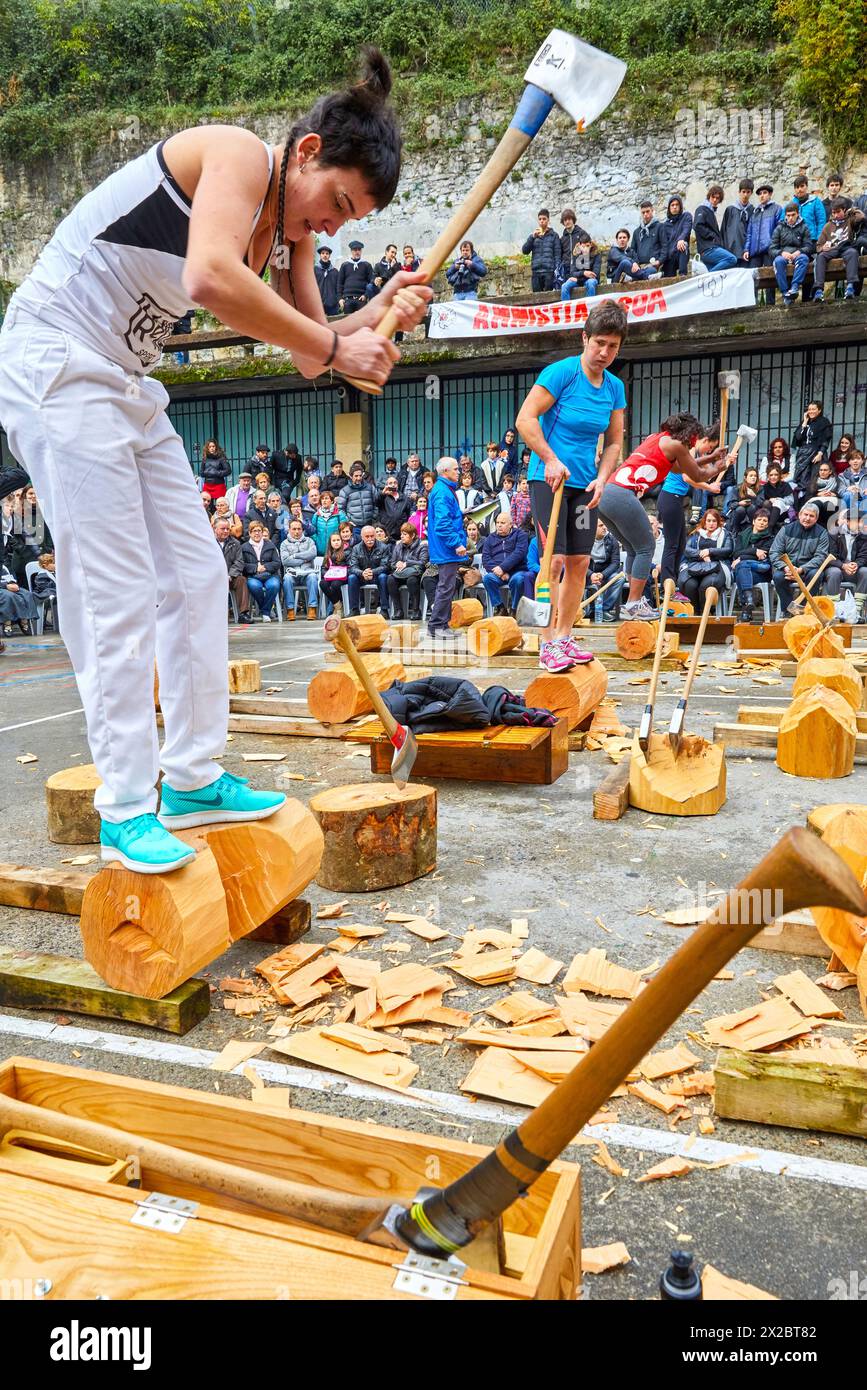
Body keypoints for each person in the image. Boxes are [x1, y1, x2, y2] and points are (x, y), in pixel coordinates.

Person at [0, 47, 435, 869]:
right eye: (335, 202)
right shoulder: (237, 154)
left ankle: (192, 779)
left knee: (199, 574)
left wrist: (380, 311)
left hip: (123, 380)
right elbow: (206, 278)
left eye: (350, 220)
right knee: (116, 590)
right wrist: (343, 351)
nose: (332, 225)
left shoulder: (291, 234)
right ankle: (125, 806)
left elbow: (314, 354)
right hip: (55, 361)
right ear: (306, 152)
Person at [515, 299, 628, 673]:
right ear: (585, 338)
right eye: (599, 343)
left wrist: (603, 476)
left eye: (613, 345)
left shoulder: (614, 388)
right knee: (555, 560)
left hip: (584, 485)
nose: (605, 352)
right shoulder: (560, 374)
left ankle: (564, 635)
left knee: (580, 561)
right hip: (549, 480)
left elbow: (613, 441)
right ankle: (546, 642)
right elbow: (525, 419)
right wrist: (549, 458)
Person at [605, 413, 728, 617]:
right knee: (646, 547)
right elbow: (696, 474)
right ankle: (633, 604)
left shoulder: (659, 438)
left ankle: (631, 604)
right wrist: (717, 467)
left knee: (633, 549)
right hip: (621, 494)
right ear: (690, 434)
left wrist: (712, 457)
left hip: (608, 494)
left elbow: (680, 467)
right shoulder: (677, 445)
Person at [657, 421, 724, 586]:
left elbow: (708, 471)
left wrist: (725, 461)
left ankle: (673, 582)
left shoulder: (697, 455)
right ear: (705, 440)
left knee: (680, 544)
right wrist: (709, 487)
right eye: (709, 448)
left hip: (675, 499)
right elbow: (688, 477)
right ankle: (668, 582)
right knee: (672, 544)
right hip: (669, 497)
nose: (708, 452)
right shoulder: (690, 451)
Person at [425, 457, 467, 639]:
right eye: (456, 469)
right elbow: (442, 524)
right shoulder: (443, 492)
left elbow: (445, 518)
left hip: (444, 547)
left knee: (446, 586)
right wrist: (456, 543)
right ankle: (437, 627)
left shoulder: (443, 489)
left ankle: (441, 624)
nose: (459, 472)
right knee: (445, 587)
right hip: (446, 548)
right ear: (445, 472)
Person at [770, 501, 830, 611]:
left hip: (807, 569)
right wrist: (786, 567)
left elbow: (821, 556)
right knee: (778, 577)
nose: (807, 518)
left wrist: (802, 569)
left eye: (811, 516)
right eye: (805, 514)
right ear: (799, 515)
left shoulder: (822, 533)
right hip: (787, 569)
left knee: (816, 574)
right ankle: (788, 610)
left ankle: (803, 608)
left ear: (816, 519)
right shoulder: (786, 530)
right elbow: (774, 552)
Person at [677, 508, 732, 610]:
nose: (711, 524)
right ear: (704, 522)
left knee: (706, 585)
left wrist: (710, 551)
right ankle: (694, 612)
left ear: (718, 522)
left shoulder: (725, 534)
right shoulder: (696, 534)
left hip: (716, 566)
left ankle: (706, 612)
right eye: (709, 521)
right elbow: (686, 549)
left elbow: (728, 550)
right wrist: (702, 554)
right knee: (689, 584)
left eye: (714, 521)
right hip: (695, 565)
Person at [812, 203, 865, 302]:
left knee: (853, 253)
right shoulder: (828, 226)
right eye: (834, 213)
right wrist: (823, 247)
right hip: (832, 250)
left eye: (838, 212)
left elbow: (861, 217)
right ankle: (819, 290)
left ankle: (850, 287)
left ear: (844, 210)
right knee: (820, 256)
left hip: (846, 247)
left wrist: (852, 210)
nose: (836, 215)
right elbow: (818, 246)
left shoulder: (849, 220)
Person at [481, 510, 529, 615]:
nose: (499, 525)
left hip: (517, 570)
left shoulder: (520, 535)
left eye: (502, 523)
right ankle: (500, 608)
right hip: (498, 573)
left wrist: (503, 568)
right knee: (487, 579)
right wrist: (500, 572)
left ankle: (514, 609)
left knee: (518, 580)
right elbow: (485, 558)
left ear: (510, 524)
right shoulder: (490, 538)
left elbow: (519, 553)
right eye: (497, 523)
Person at [731, 507, 774, 621]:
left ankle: (746, 603)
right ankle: (748, 603)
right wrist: (754, 551)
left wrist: (742, 557)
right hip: (745, 572)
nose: (762, 522)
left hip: (761, 571)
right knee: (743, 567)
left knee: (742, 565)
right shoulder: (742, 535)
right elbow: (736, 553)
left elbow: (763, 556)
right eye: (759, 519)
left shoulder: (769, 538)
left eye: (765, 521)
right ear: (754, 521)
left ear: (767, 524)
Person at [743, 183, 782, 302]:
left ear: (770, 194)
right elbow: (749, 233)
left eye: (765, 193)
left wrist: (775, 246)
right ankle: (752, 304)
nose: (762, 196)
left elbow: (780, 229)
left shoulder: (777, 209)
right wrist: (746, 249)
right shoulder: (755, 212)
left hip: (770, 250)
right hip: (755, 251)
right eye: (760, 194)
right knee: (752, 277)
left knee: (770, 277)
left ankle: (770, 304)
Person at [769, 202, 814, 305]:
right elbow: (771, 248)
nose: (790, 218)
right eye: (788, 215)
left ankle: (794, 287)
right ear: (785, 215)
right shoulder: (779, 228)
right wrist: (781, 253)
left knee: (804, 258)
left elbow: (809, 246)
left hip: (798, 255)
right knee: (778, 261)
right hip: (784, 256)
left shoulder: (804, 227)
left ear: (798, 214)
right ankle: (785, 293)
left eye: (793, 215)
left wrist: (799, 251)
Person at [825, 513, 867, 611]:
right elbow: (830, 556)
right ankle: (833, 608)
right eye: (858, 522)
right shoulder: (833, 533)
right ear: (847, 522)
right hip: (836, 567)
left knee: (865, 571)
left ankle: (857, 608)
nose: (861, 525)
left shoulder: (864, 535)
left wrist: (856, 564)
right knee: (834, 572)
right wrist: (843, 565)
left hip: (853, 569)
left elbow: (864, 555)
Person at [241, 518, 281, 620]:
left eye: (259, 531)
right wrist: (255, 568)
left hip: (269, 575)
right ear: (249, 533)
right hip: (253, 576)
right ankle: (267, 611)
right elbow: (242, 565)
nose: (257, 533)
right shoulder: (244, 547)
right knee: (254, 586)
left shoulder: (270, 545)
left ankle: (265, 611)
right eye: (254, 531)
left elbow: (277, 563)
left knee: (274, 585)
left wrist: (265, 567)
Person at [214, 515, 252, 624]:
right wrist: (219, 576)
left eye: (228, 529)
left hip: (230, 577)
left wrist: (230, 575)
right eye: (223, 529)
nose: (226, 531)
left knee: (242, 580)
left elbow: (239, 562)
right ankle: (215, 614)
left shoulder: (235, 543)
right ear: (215, 529)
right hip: (214, 578)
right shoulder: (208, 543)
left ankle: (243, 613)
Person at [792, 401, 833, 501]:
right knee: (802, 480)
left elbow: (826, 439)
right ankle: (801, 505)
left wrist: (820, 453)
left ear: (819, 410)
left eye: (813, 409)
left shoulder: (824, 422)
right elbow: (798, 437)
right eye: (809, 409)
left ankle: (814, 502)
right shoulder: (805, 422)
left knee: (814, 480)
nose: (811, 411)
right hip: (803, 454)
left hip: (817, 453)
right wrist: (805, 422)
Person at [386, 521, 427, 619]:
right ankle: (398, 610)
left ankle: (416, 610)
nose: (401, 536)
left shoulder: (422, 546)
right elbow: (392, 563)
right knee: (390, 579)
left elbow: (423, 563)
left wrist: (407, 563)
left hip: (415, 574)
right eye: (401, 534)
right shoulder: (398, 546)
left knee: (412, 580)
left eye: (404, 534)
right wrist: (397, 564)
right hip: (400, 574)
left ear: (412, 535)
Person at [280, 518, 319, 619]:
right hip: (292, 574)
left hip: (307, 573)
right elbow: (285, 561)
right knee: (287, 579)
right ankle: (290, 610)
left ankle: (312, 609)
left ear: (302, 530)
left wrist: (295, 556)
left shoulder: (309, 541)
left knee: (313, 577)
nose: (297, 532)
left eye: (299, 529)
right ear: (289, 530)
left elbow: (313, 553)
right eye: (294, 529)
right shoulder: (284, 544)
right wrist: (304, 559)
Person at [693, 186, 738, 271]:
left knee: (715, 277)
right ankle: (706, 276)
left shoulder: (711, 211)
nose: (714, 200)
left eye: (717, 198)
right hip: (708, 249)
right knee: (731, 259)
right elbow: (697, 225)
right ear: (709, 196)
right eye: (713, 197)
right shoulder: (702, 209)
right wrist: (712, 236)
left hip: (709, 249)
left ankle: (707, 277)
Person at [348, 522, 390, 614]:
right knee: (351, 578)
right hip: (362, 577)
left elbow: (385, 566)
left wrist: (372, 572)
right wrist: (362, 573)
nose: (370, 539)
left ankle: (384, 609)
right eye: (367, 537)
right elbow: (353, 566)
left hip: (376, 576)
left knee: (383, 577)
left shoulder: (384, 547)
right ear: (362, 537)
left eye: (372, 536)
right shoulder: (356, 548)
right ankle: (354, 609)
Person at [586, 520, 621, 618]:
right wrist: (591, 574)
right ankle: (584, 610)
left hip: (605, 573)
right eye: (601, 525)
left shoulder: (612, 540)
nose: (605, 528)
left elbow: (615, 563)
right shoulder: (584, 541)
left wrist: (602, 575)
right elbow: (579, 562)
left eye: (606, 525)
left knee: (619, 578)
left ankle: (604, 609)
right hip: (587, 574)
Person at [522, 209, 561, 292]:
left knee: (549, 298)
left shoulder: (554, 235)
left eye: (544, 219)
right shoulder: (533, 236)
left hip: (549, 272)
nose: (542, 221)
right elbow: (525, 251)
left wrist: (556, 270)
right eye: (540, 219)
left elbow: (557, 254)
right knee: (537, 299)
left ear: (548, 220)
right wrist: (532, 237)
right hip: (536, 272)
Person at [0, 558, 38, 635]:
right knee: (8, 596)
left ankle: (24, 619)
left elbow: (8, 575)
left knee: (27, 594)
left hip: (6, 584)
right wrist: (5, 585)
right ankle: (7, 623)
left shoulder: (2, 565)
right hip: (2, 586)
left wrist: (12, 583)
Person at [627, 201, 663, 278]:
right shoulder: (637, 232)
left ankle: (639, 276)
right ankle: (644, 275)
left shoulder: (660, 227)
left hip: (654, 265)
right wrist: (634, 264)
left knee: (651, 271)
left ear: (652, 211)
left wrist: (659, 261)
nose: (645, 214)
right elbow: (632, 251)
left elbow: (665, 247)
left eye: (647, 211)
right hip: (639, 266)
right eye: (643, 212)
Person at [338, 461, 378, 529]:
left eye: (360, 475)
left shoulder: (370, 487)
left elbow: (376, 504)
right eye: (356, 476)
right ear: (351, 476)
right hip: (354, 526)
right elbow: (340, 509)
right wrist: (348, 521)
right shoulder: (344, 491)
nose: (359, 478)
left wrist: (374, 517)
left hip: (369, 524)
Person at [754, 462, 795, 531]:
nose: (773, 477)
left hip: (783, 512)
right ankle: (770, 525)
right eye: (771, 475)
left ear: (779, 475)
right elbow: (759, 502)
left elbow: (791, 500)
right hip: (769, 513)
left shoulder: (785, 485)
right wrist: (770, 500)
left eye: (776, 475)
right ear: (768, 476)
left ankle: (770, 527)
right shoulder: (765, 487)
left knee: (778, 502)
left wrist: (777, 499)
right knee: (766, 503)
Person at [659, 196, 693, 277]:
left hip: (680, 253)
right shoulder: (665, 225)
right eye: (672, 205)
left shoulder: (686, 216)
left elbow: (686, 229)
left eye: (677, 204)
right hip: (670, 256)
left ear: (680, 206)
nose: (674, 207)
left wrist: (681, 239)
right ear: (669, 208)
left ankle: (682, 275)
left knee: (683, 245)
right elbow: (664, 243)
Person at [338, 239, 374, 313]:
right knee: (348, 324)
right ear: (351, 251)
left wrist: (366, 295)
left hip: (361, 299)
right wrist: (340, 298)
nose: (357, 252)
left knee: (362, 322)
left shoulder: (366, 265)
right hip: (347, 300)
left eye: (359, 250)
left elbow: (372, 282)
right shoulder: (345, 265)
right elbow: (339, 284)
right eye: (355, 250)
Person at [559, 235, 601, 299]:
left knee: (591, 282)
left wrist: (578, 279)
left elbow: (595, 274)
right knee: (564, 286)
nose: (585, 249)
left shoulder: (596, 255)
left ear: (591, 244)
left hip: (589, 280)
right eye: (583, 246)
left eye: (587, 246)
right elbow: (572, 272)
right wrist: (584, 273)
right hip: (578, 280)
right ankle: (567, 307)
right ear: (580, 246)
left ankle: (589, 306)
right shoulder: (576, 255)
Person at [319, 531, 350, 615]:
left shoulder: (347, 552)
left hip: (342, 577)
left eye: (338, 540)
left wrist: (339, 568)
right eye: (334, 540)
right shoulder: (328, 553)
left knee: (335, 584)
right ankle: (338, 606)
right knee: (322, 583)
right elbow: (323, 568)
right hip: (331, 576)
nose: (336, 542)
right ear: (330, 543)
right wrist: (326, 573)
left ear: (342, 541)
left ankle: (340, 607)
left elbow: (350, 566)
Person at [721, 179, 754, 257]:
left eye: (748, 192)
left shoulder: (753, 210)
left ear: (751, 193)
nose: (745, 195)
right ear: (739, 192)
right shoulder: (730, 209)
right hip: (730, 250)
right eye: (743, 192)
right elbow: (723, 231)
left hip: (745, 251)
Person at [558, 209, 589, 287]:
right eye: (565, 220)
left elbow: (588, 248)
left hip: (580, 268)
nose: (567, 222)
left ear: (573, 220)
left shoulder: (582, 233)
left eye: (569, 219)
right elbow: (560, 254)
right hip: (567, 270)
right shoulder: (562, 239)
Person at [791, 175, 826, 245]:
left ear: (806, 187)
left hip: (812, 239)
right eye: (797, 187)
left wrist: (819, 239)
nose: (799, 189)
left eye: (802, 186)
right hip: (795, 240)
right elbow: (784, 221)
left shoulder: (815, 202)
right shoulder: (791, 204)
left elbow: (821, 221)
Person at [809, 460, 842, 525]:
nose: (822, 472)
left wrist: (833, 494)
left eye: (825, 470)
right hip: (817, 503)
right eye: (821, 470)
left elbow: (841, 494)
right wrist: (818, 494)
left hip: (832, 503)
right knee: (817, 503)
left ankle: (829, 526)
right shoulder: (814, 481)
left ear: (830, 472)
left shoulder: (836, 481)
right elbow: (808, 495)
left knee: (829, 504)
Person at [314, 244, 341, 315]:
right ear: (320, 255)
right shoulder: (315, 270)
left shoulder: (335, 271)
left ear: (329, 256)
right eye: (323, 253)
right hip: (318, 303)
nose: (325, 255)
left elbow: (338, 287)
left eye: (327, 253)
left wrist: (337, 300)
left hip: (332, 304)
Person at [840, 450, 867, 517]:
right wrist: (847, 489)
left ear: (862, 461)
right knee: (847, 494)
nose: (855, 461)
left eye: (858, 459)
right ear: (849, 462)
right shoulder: (842, 475)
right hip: (850, 500)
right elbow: (839, 490)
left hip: (864, 498)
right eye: (852, 459)